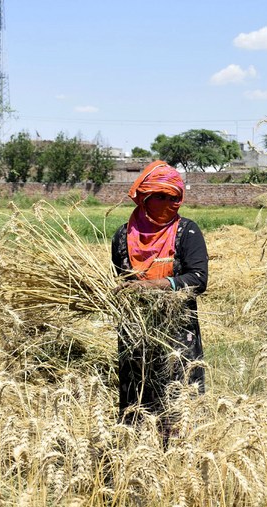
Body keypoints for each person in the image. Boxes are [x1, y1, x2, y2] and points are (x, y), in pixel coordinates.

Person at [112, 160, 208, 431]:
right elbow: (121, 282)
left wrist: (150, 285)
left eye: (173, 198)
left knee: (179, 399)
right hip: (135, 331)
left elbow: (198, 280)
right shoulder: (122, 237)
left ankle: (179, 456)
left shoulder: (187, 232)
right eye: (160, 197)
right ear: (144, 198)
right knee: (137, 398)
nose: (168, 204)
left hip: (177, 331)